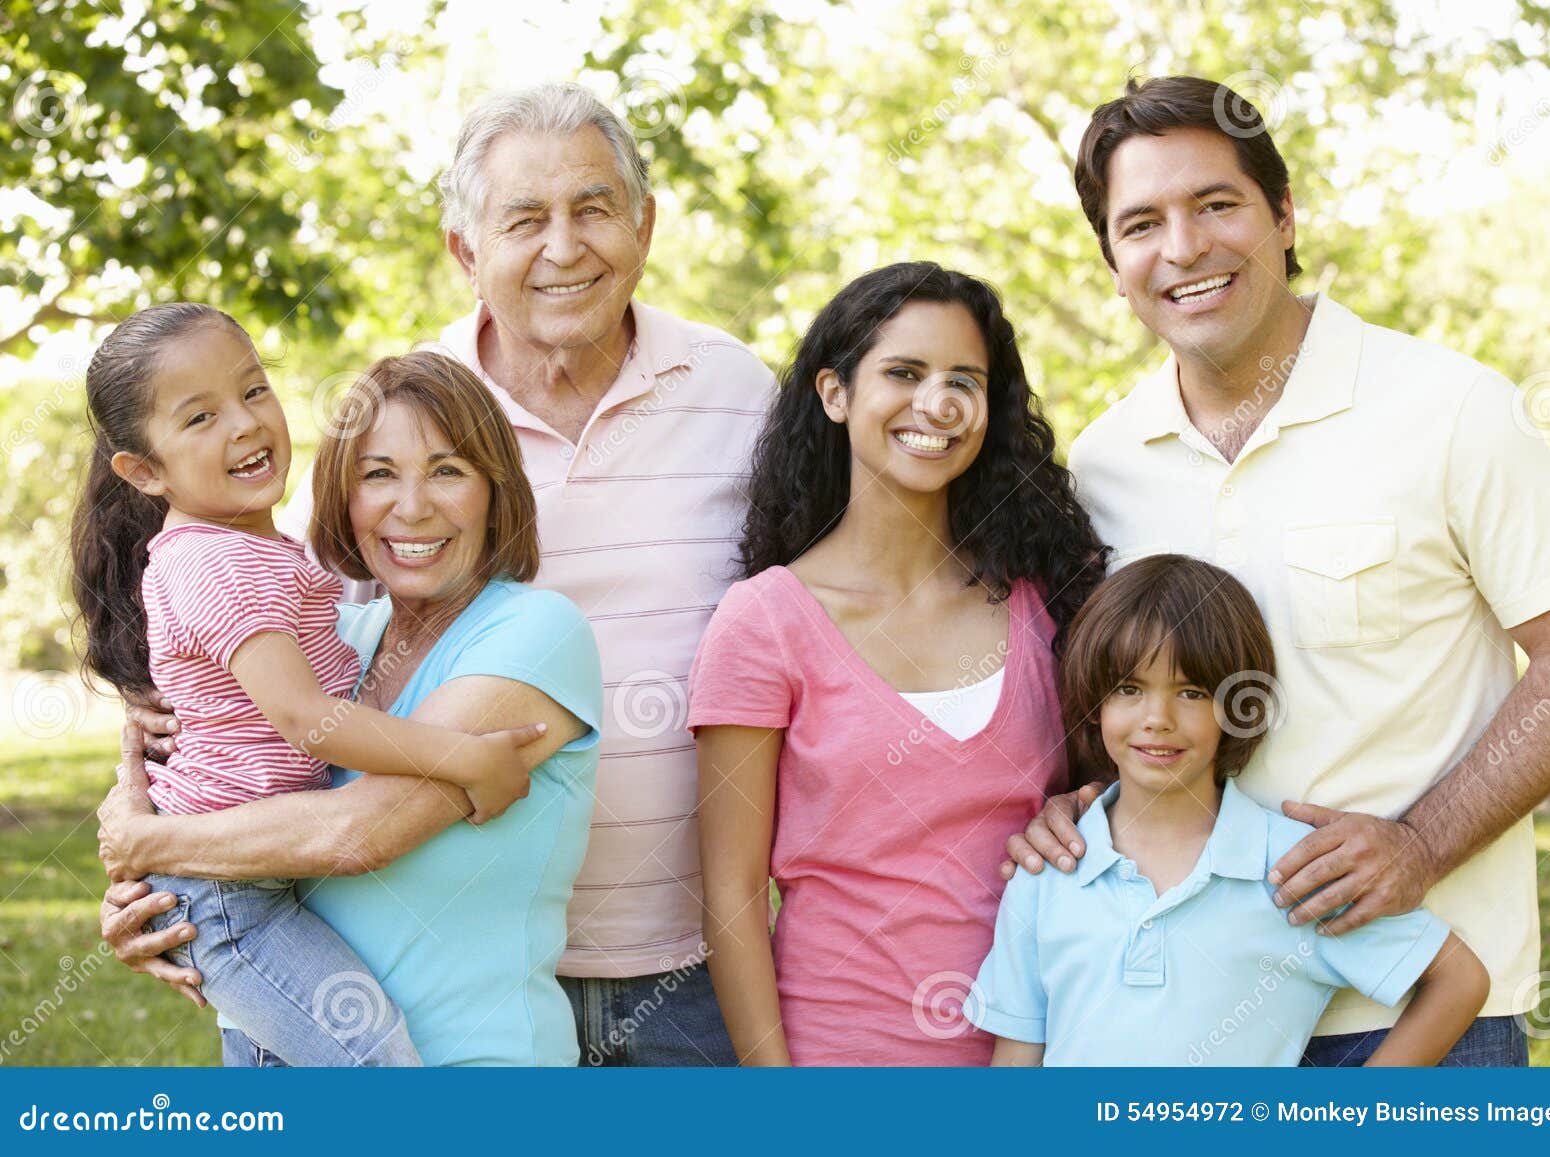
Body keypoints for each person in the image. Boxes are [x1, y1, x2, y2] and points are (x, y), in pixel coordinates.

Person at [123, 83, 775, 1066]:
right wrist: (142, 841)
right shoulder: (408, 405)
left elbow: (816, 625)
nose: (564, 247)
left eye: (593, 209)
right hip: (414, 961)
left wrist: (145, 840)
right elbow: (264, 655)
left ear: (644, 224)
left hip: (678, 957)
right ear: (465, 251)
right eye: (524, 220)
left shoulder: (738, 394)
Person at [1005, 75, 1550, 1066]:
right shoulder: (1105, 466)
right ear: (1113, 263)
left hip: (1424, 1008)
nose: (1184, 247)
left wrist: (1420, 844)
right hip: (1178, 1027)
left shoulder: (1452, 409)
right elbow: (1118, 691)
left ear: (1283, 217)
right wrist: (1079, 799)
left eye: (1216, 204)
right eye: (1141, 223)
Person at [71, 306, 552, 1065]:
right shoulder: (217, 564)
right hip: (232, 895)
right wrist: (465, 757)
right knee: (371, 1058)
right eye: (200, 417)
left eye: (254, 391)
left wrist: (146, 835)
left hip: (250, 879)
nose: (244, 425)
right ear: (145, 471)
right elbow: (306, 719)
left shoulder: (256, 555)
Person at [690, 262, 1106, 1065]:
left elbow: (1107, 801)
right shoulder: (766, 621)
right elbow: (733, 896)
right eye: (905, 373)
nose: (937, 402)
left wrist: (1084, 804)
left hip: (1045, 1048)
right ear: (836, 393)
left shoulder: (1042, 599)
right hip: (841, 1059)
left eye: (965, 380)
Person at [967, 554, 1489, 1066]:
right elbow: (1016, 1061)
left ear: (1238, 709)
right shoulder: (1048, 869)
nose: (1157, 718)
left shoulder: (1294, 869)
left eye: (1191, 692)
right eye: (1129, 689)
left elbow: (1458, 980)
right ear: (1094, 700)